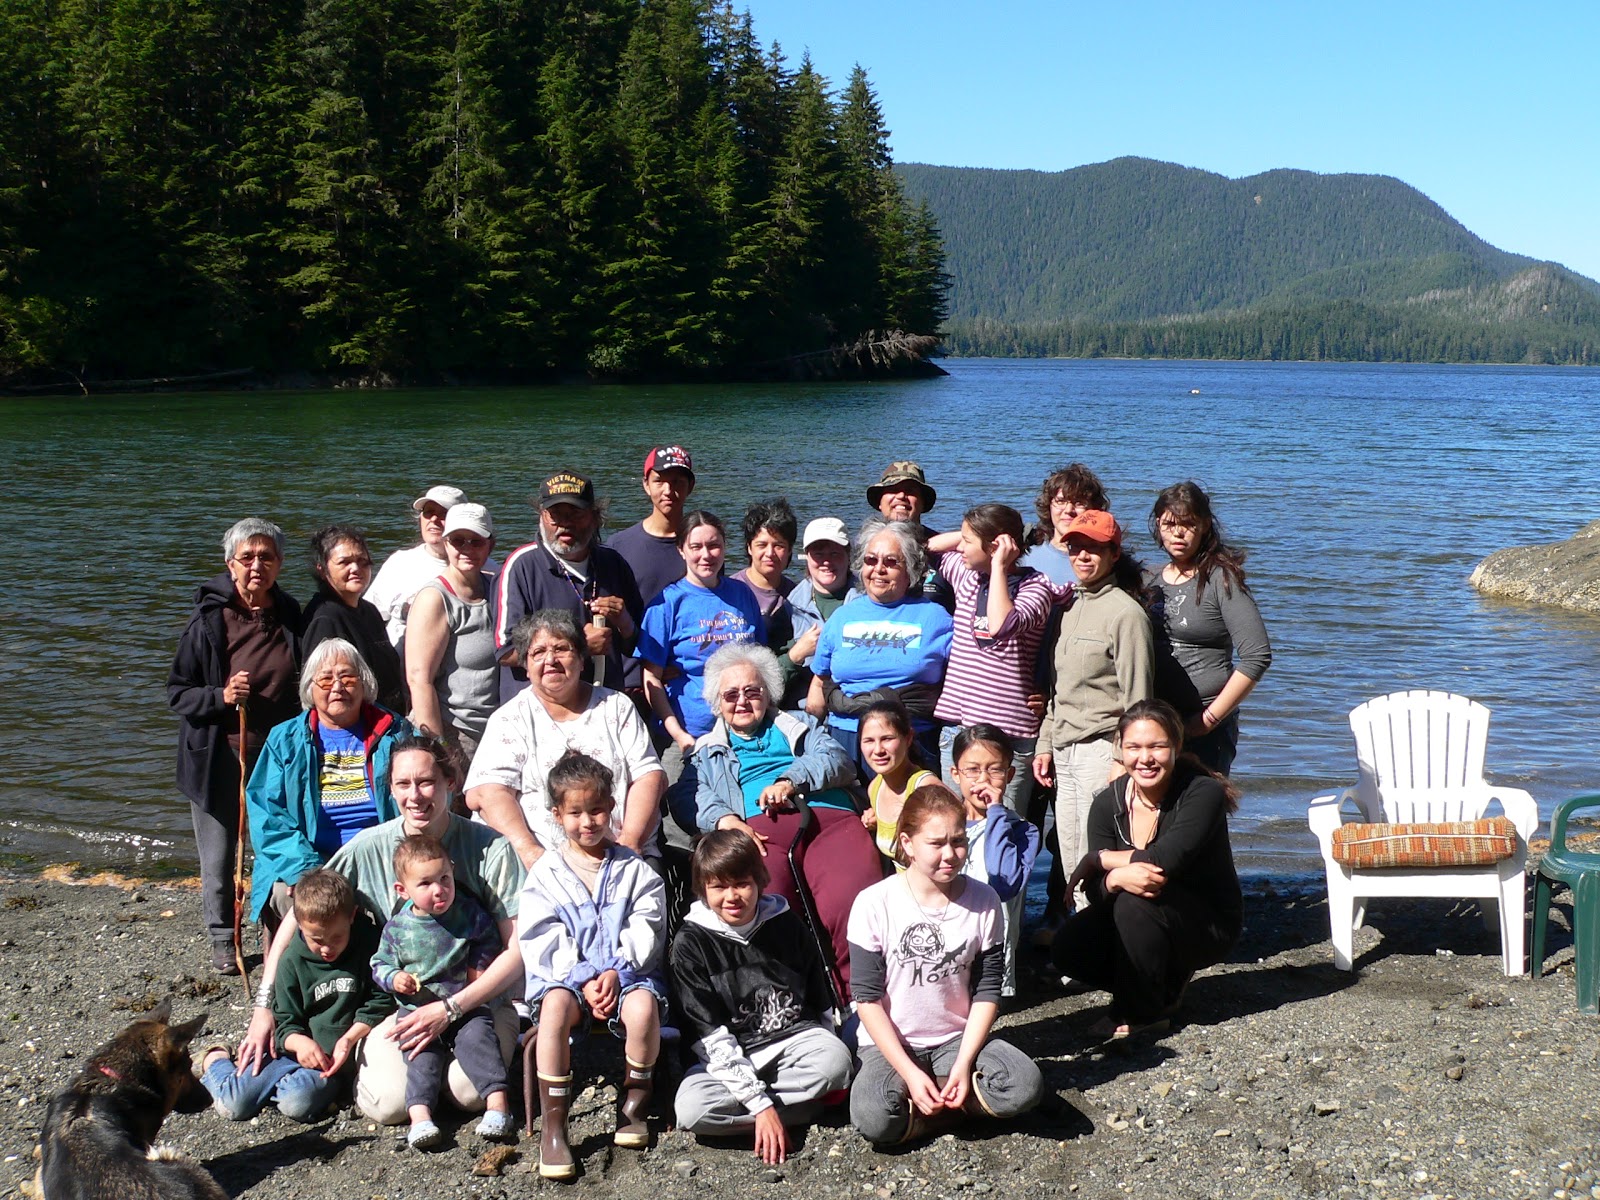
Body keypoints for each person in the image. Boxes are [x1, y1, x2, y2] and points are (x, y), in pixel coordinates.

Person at [237, 735, 526, 1127]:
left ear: (449, 783)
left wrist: (451, 1009)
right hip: (404, 1007)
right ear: (389, 789)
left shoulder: (490, 848)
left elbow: (518, 947)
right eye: (403, 785)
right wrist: (263, 1008)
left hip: (479, 1002)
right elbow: (299, 914)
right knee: (388, 1106)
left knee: (469, 1094)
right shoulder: (368, 847)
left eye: (427, 782)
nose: (416, 796)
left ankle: (456, 1069)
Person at [846, 787, 1044, 1145]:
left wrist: (964, 1063)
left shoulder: (985, 900)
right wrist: (907, 1069)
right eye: (936, 844)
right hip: (891, 1042)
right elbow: (866, 998)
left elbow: (988, 990)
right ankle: (954, 1104)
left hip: (956, 1037)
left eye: (958, 841)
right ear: (907, 843)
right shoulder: (873, 903)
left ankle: (931, 1105)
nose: (950, 855)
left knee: (1025, 1084)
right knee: (873, 1119)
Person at [684, 643, 882, 998]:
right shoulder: (706, 750)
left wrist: (791, 780)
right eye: (731, 694)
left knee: (849, 901)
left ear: (769, 693)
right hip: (758, 835)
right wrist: (724, 818)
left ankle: (862, 999)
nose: (742, 700)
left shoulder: (800, 723)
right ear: (717, 702)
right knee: (769, 909)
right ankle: (798, 1004)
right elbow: (686, 795)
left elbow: (838, 760)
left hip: (828, 818)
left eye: (752, 691)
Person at [1050, 700, 1242, 1038]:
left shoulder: (1202, 793)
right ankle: (1163, 980)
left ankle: (1140, 1014)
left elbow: (1162, 863)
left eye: (1157, 746)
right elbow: (1094, 892)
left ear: (1177, 746)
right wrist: (1112, 878)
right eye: (1134, 747)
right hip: (1143, 917)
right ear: (1120, 751)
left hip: (1207, 922)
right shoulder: (1107, 803)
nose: (1145, 758)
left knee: (1134, 901)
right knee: (1068, 945)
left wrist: (1100, 860)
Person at [518, 751, 667, 1178]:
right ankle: (554, 1126)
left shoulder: (634, 870)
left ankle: (635, 1102)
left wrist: (618, 972)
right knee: (553, 1010)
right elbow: (541, 936)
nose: (588, 822)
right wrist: (582, 976)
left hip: (627, 976)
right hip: (569, 982)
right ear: (556, 814)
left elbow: (649, 924)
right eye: (576, 813)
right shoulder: (546, 874)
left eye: (597, 810)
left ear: (612, 807)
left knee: (641, 1009)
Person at [168, 517, 303, 973]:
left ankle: (274, 934)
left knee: (272, 846)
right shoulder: (209, 620)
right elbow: (177, 692)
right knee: (221, 852)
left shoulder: (290, 615)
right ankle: (224, 939)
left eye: (267, 557)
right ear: (231, 565)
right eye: (247, 557)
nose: (257, 565)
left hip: (275, 756)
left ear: (280, 564)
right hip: (217, 753)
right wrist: (220, 696)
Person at [671, 829, 853, 1164]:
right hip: (727, 1055)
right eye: (719, 887)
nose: (732, 896)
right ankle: (791, 1114)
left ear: (758, 881)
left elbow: (820, 995)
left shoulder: (786, 923)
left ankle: (762, 1117)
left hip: (792, 1042)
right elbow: (707, 1034)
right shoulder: (690, 944)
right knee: (692, 1111)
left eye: (741, 883)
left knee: (836, 1062)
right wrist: (761, 1104)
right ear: (702, 889)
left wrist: (831, 1042)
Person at [465, 610, 665, 869]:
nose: (551, 660)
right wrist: (530, 853)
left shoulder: (616, 706)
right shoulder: (510, 718)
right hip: (540, 864)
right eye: (538, 653)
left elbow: (649, 776)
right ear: (526, 666)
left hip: (623, 855)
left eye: (562, 649)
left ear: (582, 660)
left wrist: (630, 842)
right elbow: (487, 792)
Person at [245, 637, 414, 931]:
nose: (337, 686)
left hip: (382, 854)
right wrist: (305, 871)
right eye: (325, 679)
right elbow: (267, 815)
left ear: (364, 685)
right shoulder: (285, 739)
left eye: (348, 677)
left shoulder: (396, 733)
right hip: (309, 856)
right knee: (294, 900)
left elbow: (422, 793)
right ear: (310, 688)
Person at [199, 868, 393, 1122]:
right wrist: (299, 1042)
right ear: (299, 924)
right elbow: (283, 1022)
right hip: (291, 1053)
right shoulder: (291, 960)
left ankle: (271, 1086)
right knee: (235, 1105)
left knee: (298, 1102)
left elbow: (381, 999)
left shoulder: (369, 944)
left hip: (330, 1063)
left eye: (336, 937)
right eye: (316, 939)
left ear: (352, 916)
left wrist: (349, 1037)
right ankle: (215, 1060)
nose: (326, 948)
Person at [1032, 510, 1154, 909]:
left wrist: (1123, 758)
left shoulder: (1126, 614)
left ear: (1114, 553)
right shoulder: (1066, 607)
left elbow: (1139, 698)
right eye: (1076, 547)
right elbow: (1057, 688)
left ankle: (1106, 954)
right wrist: (1045, 745)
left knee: (1096, 859)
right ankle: (1083, 954)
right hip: (1064, 752)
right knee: (1069, 859)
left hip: (1101, 750)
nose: (1083, 556)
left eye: (1094, 548)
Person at [371, 833, 515, 1148]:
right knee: (420, 1057)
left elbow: (488, 939)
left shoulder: (466, 912)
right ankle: (420, 1117)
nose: (440, 889)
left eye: (444, 878)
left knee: (480, 1042)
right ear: (402, 890)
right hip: (416, 1010)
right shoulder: (398, 929)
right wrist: (394, 977)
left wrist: (479, 967)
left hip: (463, 1003)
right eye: (425, 884)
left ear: (452, 871)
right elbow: (378, 964)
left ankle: (498, 1107)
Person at [926, 503, 1059, 808]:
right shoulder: (967, 575)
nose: (960, 548)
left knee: (1006, 830)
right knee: (958, 828)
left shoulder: (1035, 587)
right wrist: (968, 536)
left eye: (967, 541)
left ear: (995, 547)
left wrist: (999, 566)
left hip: (1010, 734)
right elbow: (927, 548)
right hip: (960, 729)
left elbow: (1002, 625)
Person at [1145, 482, 1272, 776]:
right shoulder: (1148, 578)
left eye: (1188, 524)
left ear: (1204, 526)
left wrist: (1208, 719)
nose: (1178, 533)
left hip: (1205, 729)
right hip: (1157, 723)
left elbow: (1257, 656)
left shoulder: (1220, 579)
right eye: (1169, 524)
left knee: (1203, 813)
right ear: (1158, 527)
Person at [808, 519, 953, 770]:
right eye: (871, 560)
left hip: (911, 741)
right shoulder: (842, 617)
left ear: (910, 569)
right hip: (847, 738)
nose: (879, 569)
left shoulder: (937, 618)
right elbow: (820, 685)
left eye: (891, 562)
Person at [492, 471, 643, 695]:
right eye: (556, 515)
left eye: (576, 514)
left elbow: (638, 644)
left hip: (602, 706)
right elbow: (506, 652)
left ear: (594, 516)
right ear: (542, 516)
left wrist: (624, 623)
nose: (565, 524)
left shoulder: (613, 563)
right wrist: (580, 646)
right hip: (542, 712)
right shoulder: (521, 566)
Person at [636, 510, 765, 760]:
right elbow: (651, 678)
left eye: (714, 546)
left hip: (745, 730)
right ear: (682, 550)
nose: (706, 555)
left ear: (725, 548)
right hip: (687, 733)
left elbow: (759, 660)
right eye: (696, 547)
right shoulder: (666, 604)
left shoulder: (743, 595)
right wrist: (679, 735)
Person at [946, 726, 1040, 998]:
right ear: (956, 774)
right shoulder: (943, 825)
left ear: (1010, 774)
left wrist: (997, 813)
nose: (983, 780)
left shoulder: (1022, 830)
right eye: (972, 770)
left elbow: (1004, 880)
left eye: (995, 770)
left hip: (991, 943)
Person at [406, 502, 499, 764]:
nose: (467, 549)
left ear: (490, 545)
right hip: (454, 734)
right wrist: (439, 749)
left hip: (495, 734)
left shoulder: (498, 588)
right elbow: (419, 680)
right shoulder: (434, 599)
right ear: (446, 544)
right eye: (458, 541)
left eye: (476, 541)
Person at [302, 525, 407, 712]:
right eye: (344, 562)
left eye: (363, 561)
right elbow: (321, 693)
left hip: (386, 722)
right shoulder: (325, 620)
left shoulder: (369, 611)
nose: (356, 568)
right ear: (322, 569)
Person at [366, 485, 466, 647]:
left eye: (443, 514)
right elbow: (368, 619)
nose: (433, 520)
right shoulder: (399, 563)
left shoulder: (482, 568)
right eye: (428, 512)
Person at [777, 516, 856, 707]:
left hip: (856, 707)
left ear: (848, 555)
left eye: (835, 553)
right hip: (804, 713)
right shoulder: (790, 607)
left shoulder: (868, 599)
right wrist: (796, 654)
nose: (826, 562)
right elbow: (769, 679)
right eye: (818, 554)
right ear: (807, 557)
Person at [609, 445, 695, 606]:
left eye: (677, 482)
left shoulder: (705, 547)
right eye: (659, 481)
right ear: (646, 484)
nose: (668, 490)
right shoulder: (618, 546)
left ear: (690, 486)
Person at [865, 460, 954, 612]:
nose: (901, 495)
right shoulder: (864, 547)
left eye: (910, 490)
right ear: (880, 502)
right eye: (892, 489)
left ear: (923, 502)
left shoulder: (947, 551)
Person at [858, 700, 935, 868]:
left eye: (887, 739)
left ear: (908, 738)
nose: (878, 750)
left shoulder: (925, 789)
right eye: (869, 741)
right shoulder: (875, 788)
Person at [1022, 464, 1110, 587]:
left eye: (1079, 503)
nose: (1069, 510)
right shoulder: (1026, 559)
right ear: (1049, 505)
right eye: (1061, 501)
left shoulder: (1102, 563)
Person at [731, 498, 798, 649]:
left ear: (790, 550)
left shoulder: (798, 595)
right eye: (761, 545)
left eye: (778, 546)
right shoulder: (731, 591)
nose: (770, 553)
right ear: (749, 547)